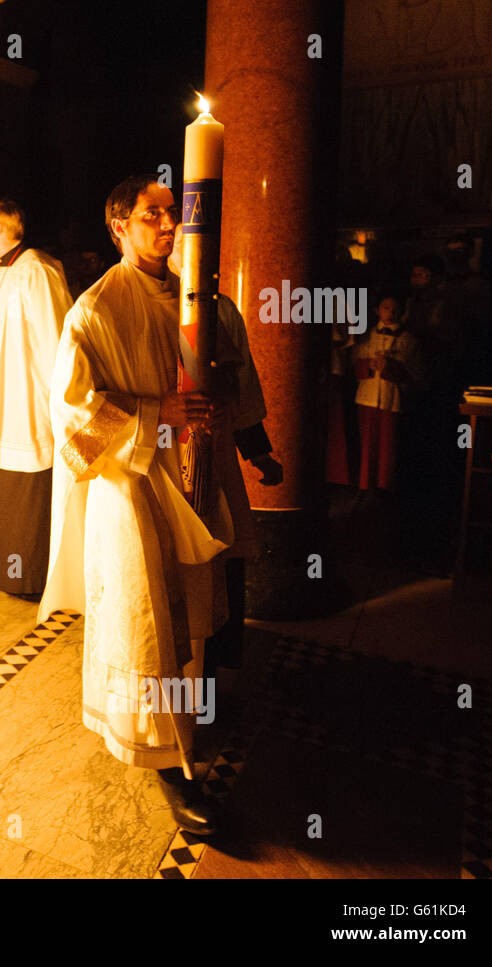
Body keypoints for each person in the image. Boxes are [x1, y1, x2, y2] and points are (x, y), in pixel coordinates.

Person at [40, 175, 238, 836]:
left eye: (172, 212)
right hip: (133, 494)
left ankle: (192, 721)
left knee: (196, 618)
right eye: (151, 213)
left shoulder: (196, 294)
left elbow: (229, 367)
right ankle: (167, 766)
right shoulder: (95, 310)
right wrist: (160, 414)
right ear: (118, 226)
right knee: (151, 628)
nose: (166, 223)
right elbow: (73, 424)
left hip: (193, 482)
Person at [169, 223, 283, 680]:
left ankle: (214, 661)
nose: (192, 257)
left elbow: (242, 385)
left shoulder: (221, 310)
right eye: (182, 248)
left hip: (211, 456)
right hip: (159, 457)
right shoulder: (147, 307)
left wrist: (256, 452)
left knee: (219, 552)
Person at [0, 198, 72, 599]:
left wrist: (57, 404)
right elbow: (15, 332)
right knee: (11, 488)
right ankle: (17, 575)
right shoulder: (11, 269)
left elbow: (52, 338)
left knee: (28, 488)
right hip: (11, 402)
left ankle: (32, 577)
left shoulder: (37, 270)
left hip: (31, 404)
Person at [352, 292, 423, 492]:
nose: (390, 313)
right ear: (377, 310)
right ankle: (365, 483)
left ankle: (386, 485)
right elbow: (354, 362)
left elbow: (416, 373)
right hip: (367, 396)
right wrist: (368, 364)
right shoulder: (367, 336)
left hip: (392, 398)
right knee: (367, 442)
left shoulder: (408, 340)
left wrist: (391, 368)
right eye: (385, 308)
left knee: (388, 444)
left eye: (394, 309)